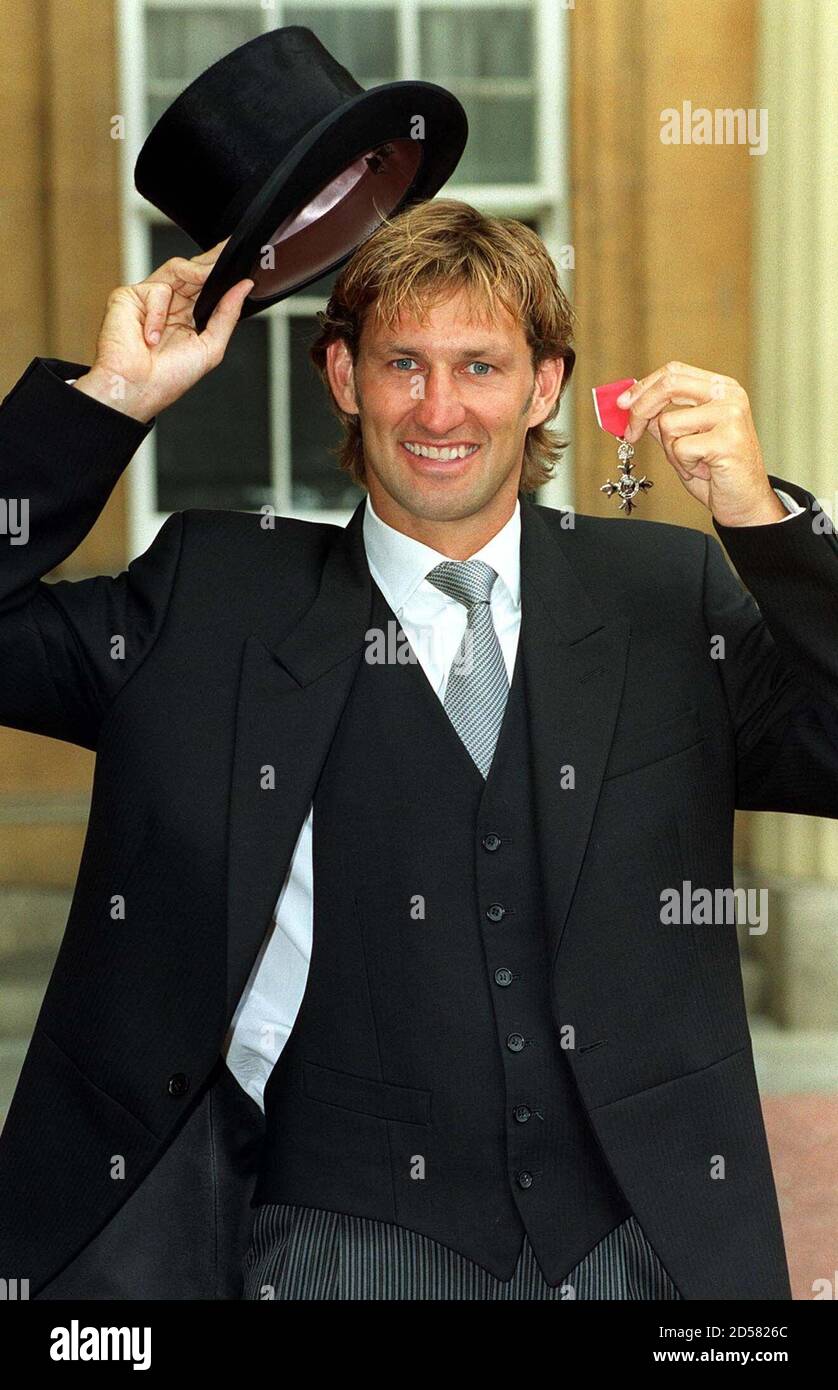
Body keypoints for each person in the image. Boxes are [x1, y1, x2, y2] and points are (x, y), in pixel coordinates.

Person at [0, 199, 835, 1301]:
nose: (439, 407)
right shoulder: (214, 595)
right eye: (402, 362)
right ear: (343, 378)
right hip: (333, 1245)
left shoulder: (663, 594)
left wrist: (770, 529)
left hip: (645, 1245)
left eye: (480, 366)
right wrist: (107, 404)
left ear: (542, 387)